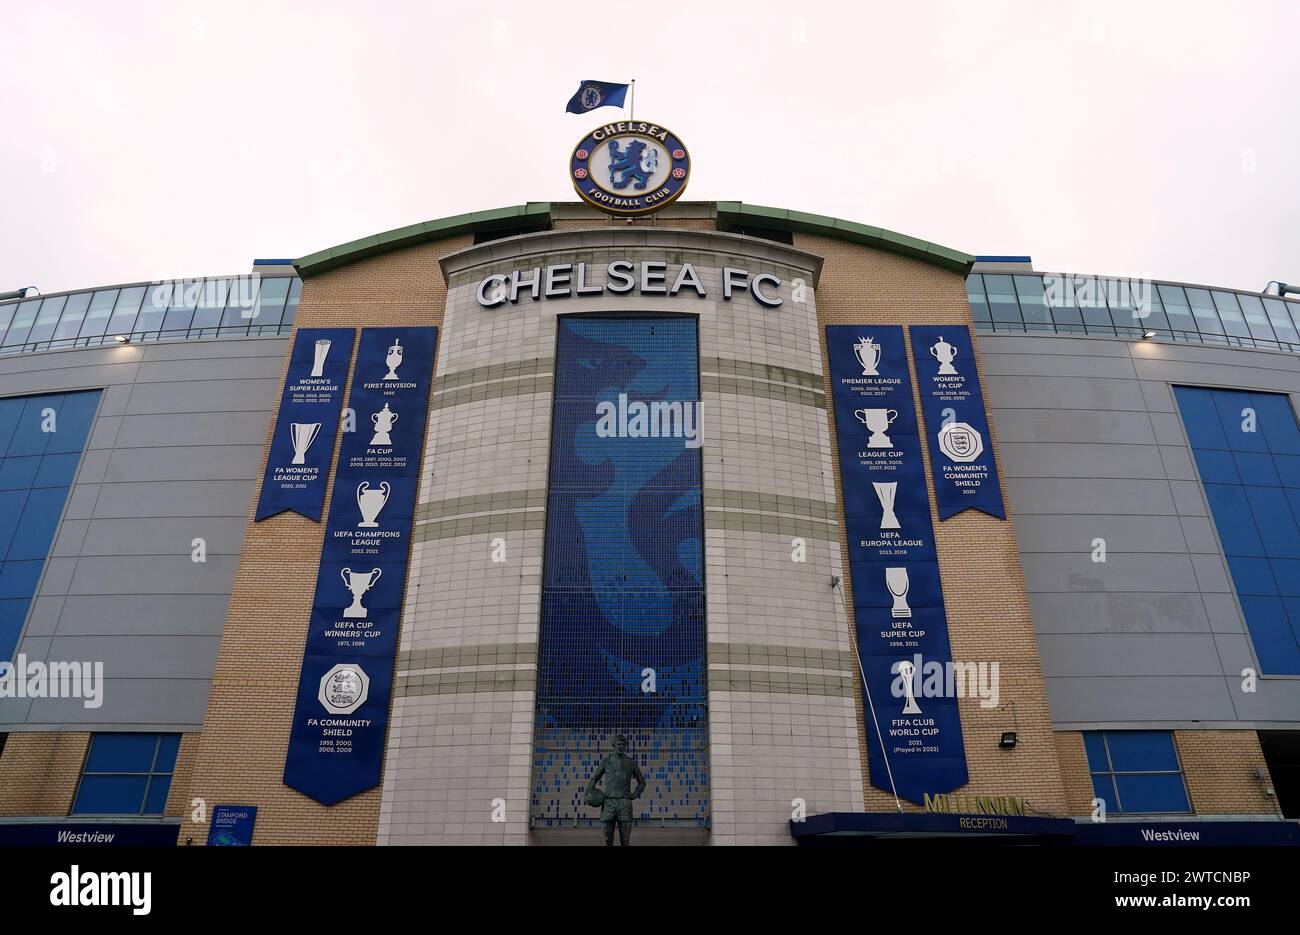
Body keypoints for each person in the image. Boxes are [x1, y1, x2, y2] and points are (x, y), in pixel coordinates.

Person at [585, 734, 646, 846]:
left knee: (625, 841)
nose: (621, 747)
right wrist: (587, 793)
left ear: (626, 746)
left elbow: (642, 782)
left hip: (624, 803)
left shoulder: (630, 762)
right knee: (608, 840)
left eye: (623, 745)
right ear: (613, 745)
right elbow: (594, 778)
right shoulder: (606, 762)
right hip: (609, 802)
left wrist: (634, 794)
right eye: (618, 744)